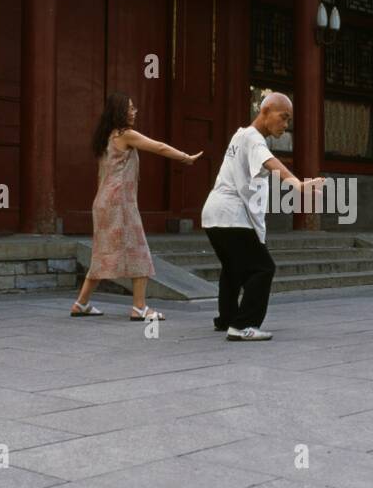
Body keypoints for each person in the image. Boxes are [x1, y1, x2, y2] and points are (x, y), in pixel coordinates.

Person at [200, 92, 322, 341]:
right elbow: (270, 161)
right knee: (263, 268)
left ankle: (226, 319)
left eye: (288, 120)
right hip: (231, 215)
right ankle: (243, 325)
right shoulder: (254, 138)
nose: (286, 125)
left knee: (233, 269)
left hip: (214, 214)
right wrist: (296, 184)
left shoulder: (240, 134)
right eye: (283, 117)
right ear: (264, 111)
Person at [71, 92, 202, 320]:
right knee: (140, 251)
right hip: (119, 203)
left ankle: (81, 304)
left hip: (103, 202)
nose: (134, 111)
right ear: (119, 111)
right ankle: (140, 308)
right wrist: (185, 157)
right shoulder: (126, 135)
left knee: (101, 254)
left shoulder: (106, 137)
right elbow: (159, 147)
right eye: (130, 108)